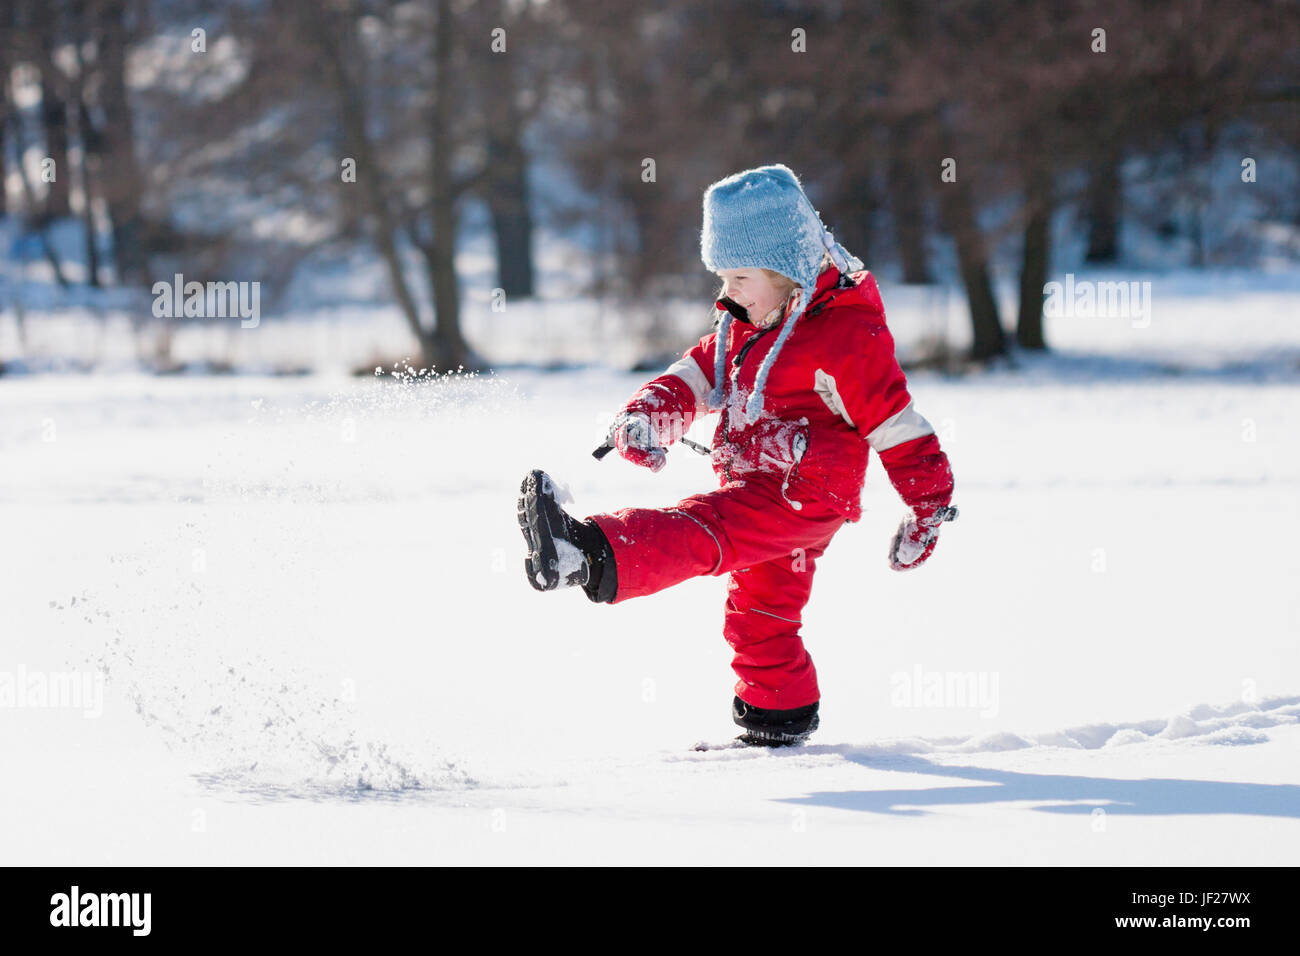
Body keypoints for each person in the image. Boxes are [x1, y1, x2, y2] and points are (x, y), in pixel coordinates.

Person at [517, 163, 957, 746]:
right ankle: (779, 722)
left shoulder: (847, 340)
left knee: (703, 531)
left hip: (806, 495)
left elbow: (900, 430)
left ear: (790, 271)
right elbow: (697, 374)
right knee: (759, 617)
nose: (727, 292)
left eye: (740, 276)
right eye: (722, 276)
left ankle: (585, 553)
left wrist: (929, 507)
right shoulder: (746, 323)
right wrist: (650, 417)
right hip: (757, 483)